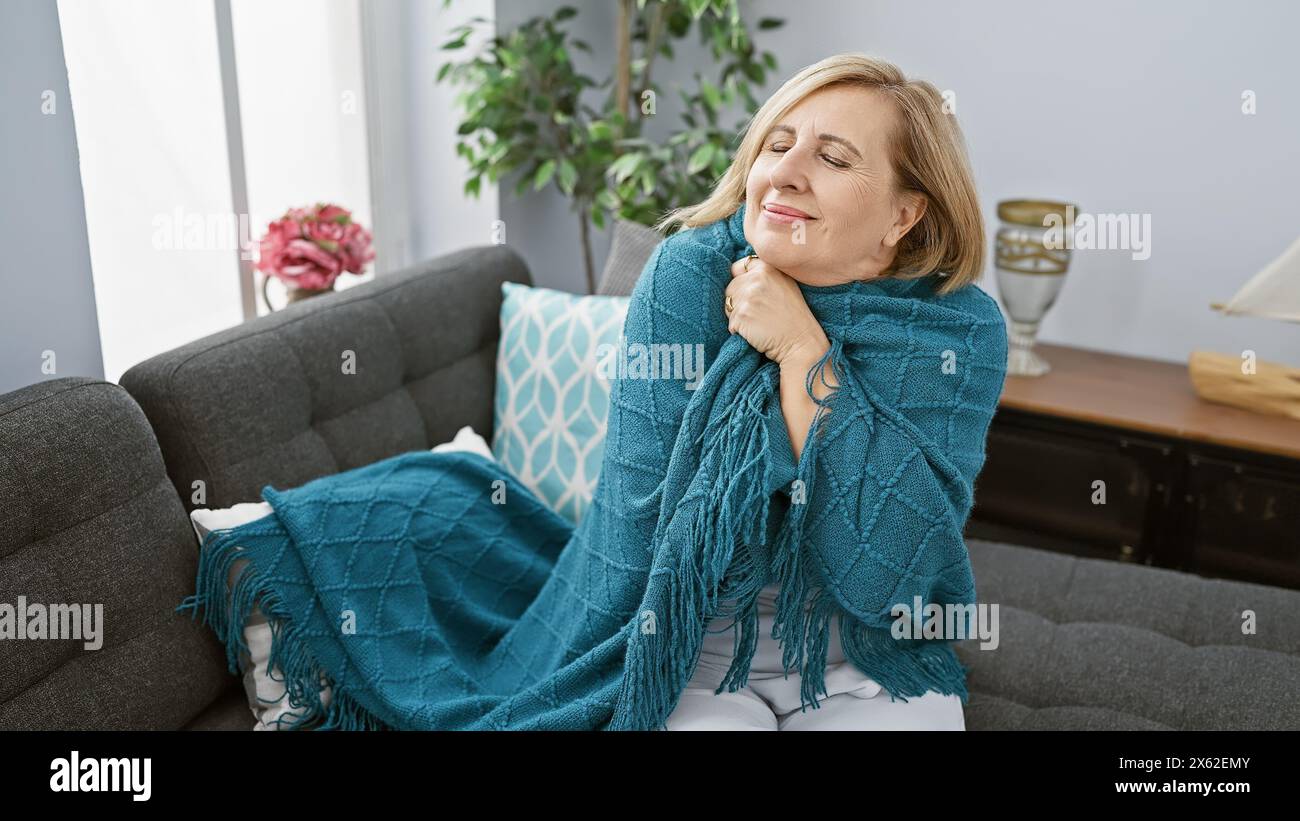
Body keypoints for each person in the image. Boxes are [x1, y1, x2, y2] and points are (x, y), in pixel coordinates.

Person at [650, 52, 989, 730]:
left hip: (869, 660)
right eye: (777, 144)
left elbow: (896, 575)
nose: (785, 172)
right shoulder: (685, 276)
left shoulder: (957, 331)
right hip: (695, 657)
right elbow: (644, 525)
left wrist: (802, 349)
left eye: (833, 160)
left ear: (903, 214)